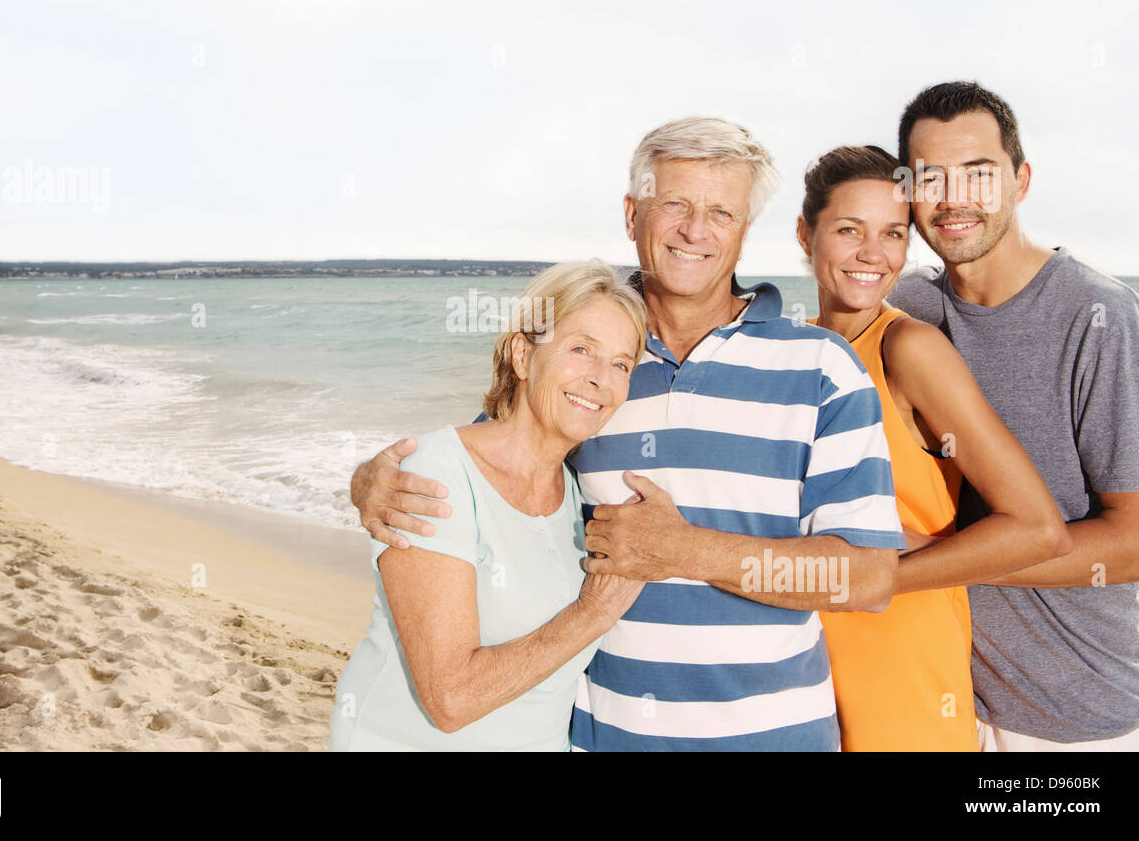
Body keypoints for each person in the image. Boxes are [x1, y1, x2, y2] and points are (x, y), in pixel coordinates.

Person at [351, 118, 906, 751]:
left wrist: (686, 551)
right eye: (675, 204)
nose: (696, 231)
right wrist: (371, 480)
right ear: (631, 213)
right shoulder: (591, 365)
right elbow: (482, 468)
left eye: (722, 212)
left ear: (744, 231)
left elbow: (866, 579)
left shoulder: (823, 367)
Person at [888, 81, 1139, 750]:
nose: (953, 199)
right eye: (930, 177)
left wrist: (937, 562)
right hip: (947, 706)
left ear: (1021, 180)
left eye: (979, 173)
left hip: (1080, 721)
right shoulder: (907, 309)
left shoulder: (1100, 317)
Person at [795, 144, 1069, 751]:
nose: (873, 253)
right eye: (849, 230)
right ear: (803, 233)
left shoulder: (909, 347)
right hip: (802, 656)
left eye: (893, 233)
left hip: (902, 657)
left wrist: (882, 572)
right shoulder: (790, 351)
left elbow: (1038, 529)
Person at [329, 260, 649, 751]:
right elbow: (451, 698)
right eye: (580, 349)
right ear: (523, 356)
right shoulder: (437, 474)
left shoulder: (577, 493)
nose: (601, 380)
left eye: (622, 364)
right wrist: (594, 613)